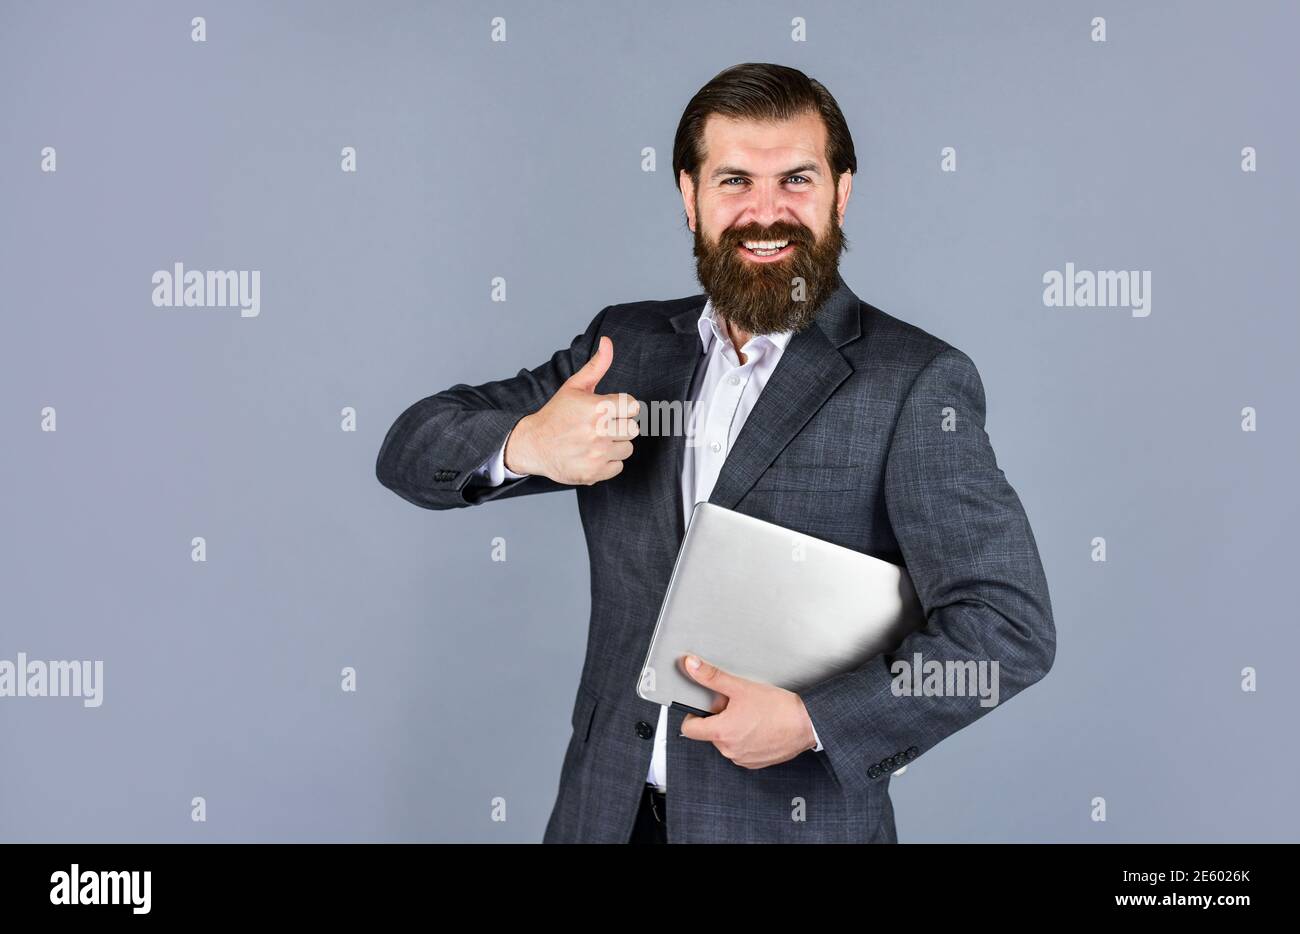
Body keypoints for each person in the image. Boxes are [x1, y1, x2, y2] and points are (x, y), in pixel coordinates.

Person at [375, 62, 1055, 843]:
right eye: (734, 179)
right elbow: (410, 448)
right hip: (605, 816)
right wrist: (526, 443)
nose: (766, 212)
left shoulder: (915, 382)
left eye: (796, 178)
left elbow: (1006, 631)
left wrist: (813, 720)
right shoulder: (624, 347)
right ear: (688, 197)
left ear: (842, 192)